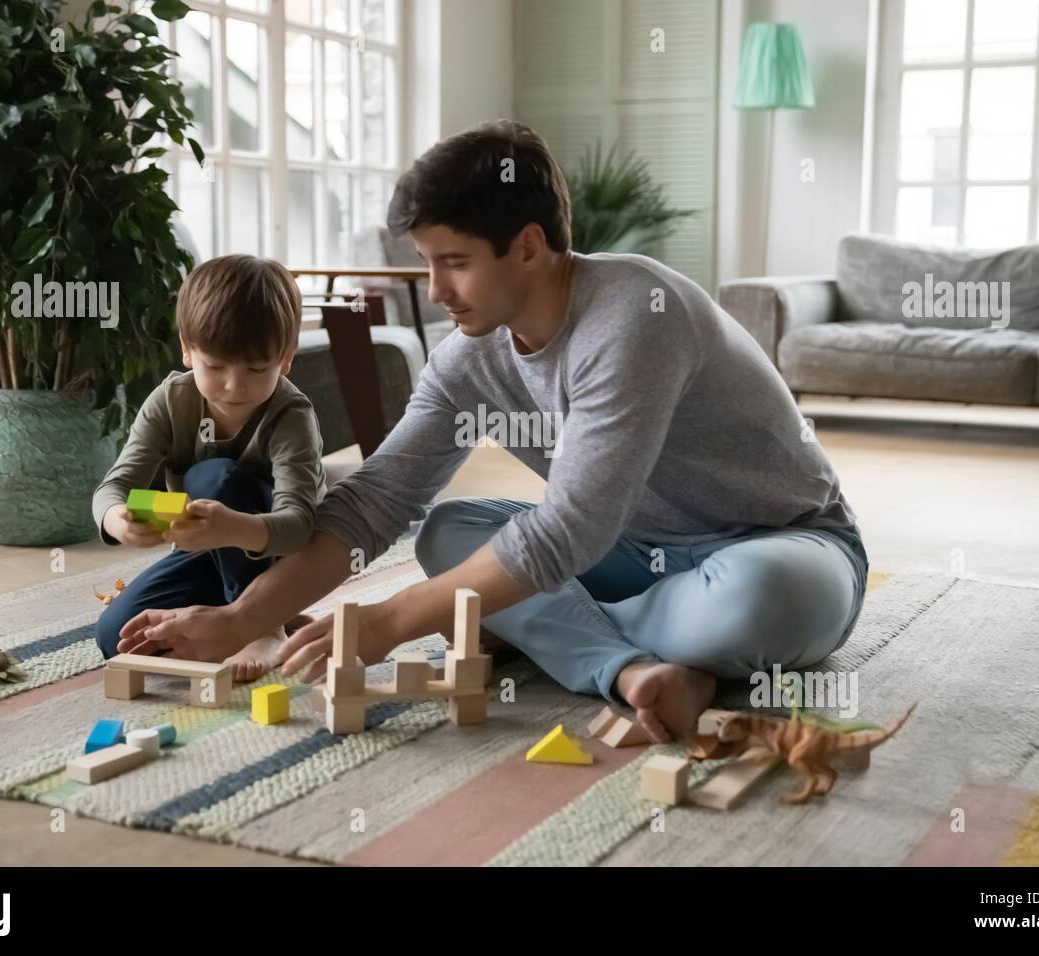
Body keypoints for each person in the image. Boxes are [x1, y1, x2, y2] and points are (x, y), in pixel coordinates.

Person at [117, 120, 869, 741]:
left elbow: (566, 531)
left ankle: (570, 632)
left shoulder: (635, 314)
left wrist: (390, 620)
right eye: (426, 263)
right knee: (450, 535)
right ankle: (637, 670)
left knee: (754, 601)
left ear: (530, 247)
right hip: (631, 556)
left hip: (781, 546)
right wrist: (244, 615)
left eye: (456, 263)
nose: (436, 291)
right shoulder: (468, 358)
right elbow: (372, 504)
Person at [92, 254, 323, 681]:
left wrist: (233, 527)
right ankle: (259, 621)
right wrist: (120, 520)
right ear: (187, 348)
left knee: (213, 476)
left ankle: (267, 624)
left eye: (256, 369)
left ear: (286, 358)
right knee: (118, 639)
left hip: (274, 557)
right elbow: (115, 487)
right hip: (203, 549)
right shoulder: (170, 401)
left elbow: (300, 525)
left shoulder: (291, 415)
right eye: (215, 366)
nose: (234, 386)